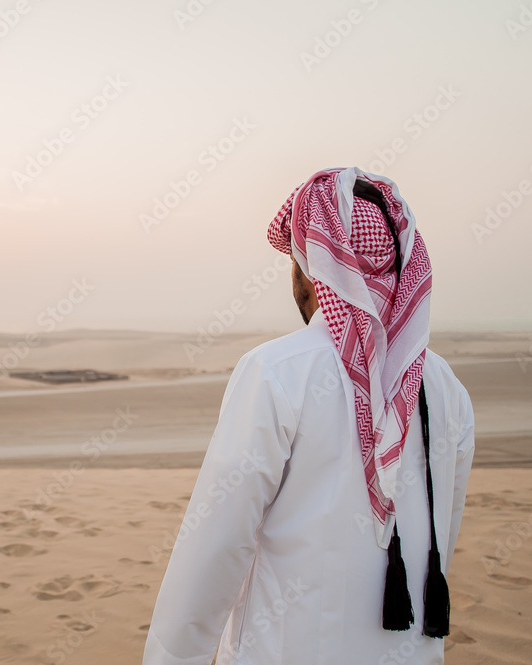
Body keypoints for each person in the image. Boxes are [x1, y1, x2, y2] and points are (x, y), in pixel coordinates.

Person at [142, 167, 475, 665]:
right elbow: (439, 544)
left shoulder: (276, 372)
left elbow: (215, 547)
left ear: (312, 267)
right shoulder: (447, 388)